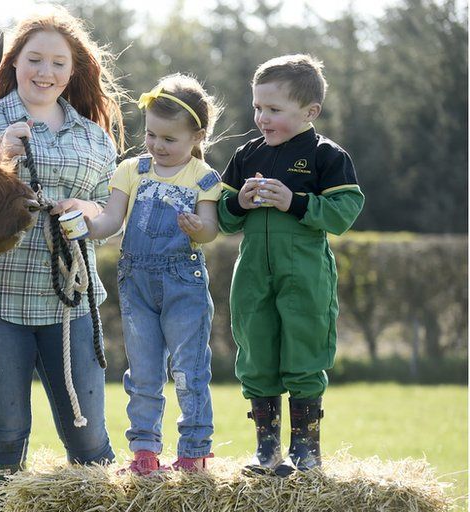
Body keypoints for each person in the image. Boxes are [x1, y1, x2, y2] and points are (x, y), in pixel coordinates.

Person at [0, 4, 124, 512]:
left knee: (89, 435)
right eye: (34, 60)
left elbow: (107, 218)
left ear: (74, 72)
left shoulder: (96, 137)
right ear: (14, 63)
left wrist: (89, 213)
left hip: (71, 301)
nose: (45, 73)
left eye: (57, 63)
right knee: (6, 431)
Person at [57, 73, 222, 475]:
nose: (158, 145)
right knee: (143, 371)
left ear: (196, 137)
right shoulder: (132, 170)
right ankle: (145, 452)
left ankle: (194, 451)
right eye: (151, 134)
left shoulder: (204, 177)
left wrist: (196, 230)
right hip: (137, 281)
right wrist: (86, 227)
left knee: (189, 369)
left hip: (184, 281)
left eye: (170, 139)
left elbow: (212, 230)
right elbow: (112, 219)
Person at [217, 54, 364, 476]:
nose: (262, 117)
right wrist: (239, 202)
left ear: (309, 112)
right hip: (252, 274)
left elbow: (345, 210)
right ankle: (267, 451)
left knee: (304, 350)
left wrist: (295, 201)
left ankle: (306, 450)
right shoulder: (247, 154)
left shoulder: (325, 156)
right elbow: (223, 217)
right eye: (258, 107)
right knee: (256, 352)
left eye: (274, 110)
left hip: (304, 273)